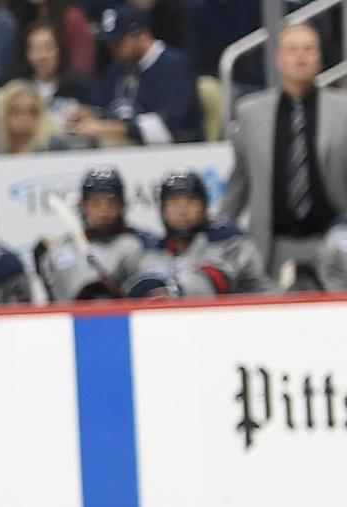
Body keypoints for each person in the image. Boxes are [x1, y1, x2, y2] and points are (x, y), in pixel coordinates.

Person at [219, 23, 347, 289]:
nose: (300, 57)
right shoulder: (250, 113)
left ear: (320, 57)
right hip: (274, 245)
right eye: (292, 49)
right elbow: (240, 182)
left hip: (335, 240)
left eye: (309, 49)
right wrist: (219, 230)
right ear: (278, 58)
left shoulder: (343, 109)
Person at [126, 170, 274, 297]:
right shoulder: (155, 250)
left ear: (204, 206)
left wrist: (170, 291)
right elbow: (140, 288)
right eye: (174, 204)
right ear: (162, 209)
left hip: (264, 318)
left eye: (190, 203)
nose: (182, 211)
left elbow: (213, 282)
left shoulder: (229, 238)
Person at [66, 7, 201, 145]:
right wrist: (93, 113)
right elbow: (112, 108)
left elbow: (167, 128)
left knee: (110, 142)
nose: (112, 49)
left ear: (142, 35)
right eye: (110, 43)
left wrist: (108, 128)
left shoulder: (174, 65)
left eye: (118, 42)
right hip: (127, 152)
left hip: (173, 153)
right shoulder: (119, 68)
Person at [34, 165, 156, 300]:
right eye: (96, 204)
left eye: (110, 203)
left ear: (121, 205)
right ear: (84, 206)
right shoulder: (66, 247)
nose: (103, 211)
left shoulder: (140, 245)